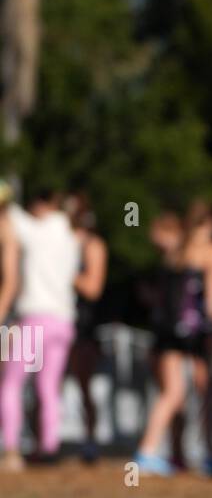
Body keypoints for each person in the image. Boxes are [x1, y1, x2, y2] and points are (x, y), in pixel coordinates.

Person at [135, 200, 212, 476]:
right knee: (199, 394)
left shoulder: (176, 251)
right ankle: (153, 451)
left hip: (167, 331)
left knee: (174, 393)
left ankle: (175, 455)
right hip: (197, 332)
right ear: (209, 224)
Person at [0, 188, 82, 470]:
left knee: (11, 383)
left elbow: (10, 215)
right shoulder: (70, 236)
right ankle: (48, 447)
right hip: (64, 321)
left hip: (33, 318)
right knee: (48, 388)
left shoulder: (37, 230)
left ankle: (11, 450)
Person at [65, 193, 109, 463]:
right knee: (40, 384)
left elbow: (93, 288)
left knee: (83, 385)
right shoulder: (57, 241)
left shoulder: (93, 246)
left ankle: (90, 440)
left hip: (83, 325)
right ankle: (38, 442)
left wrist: (62, 273)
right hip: (53, 318)